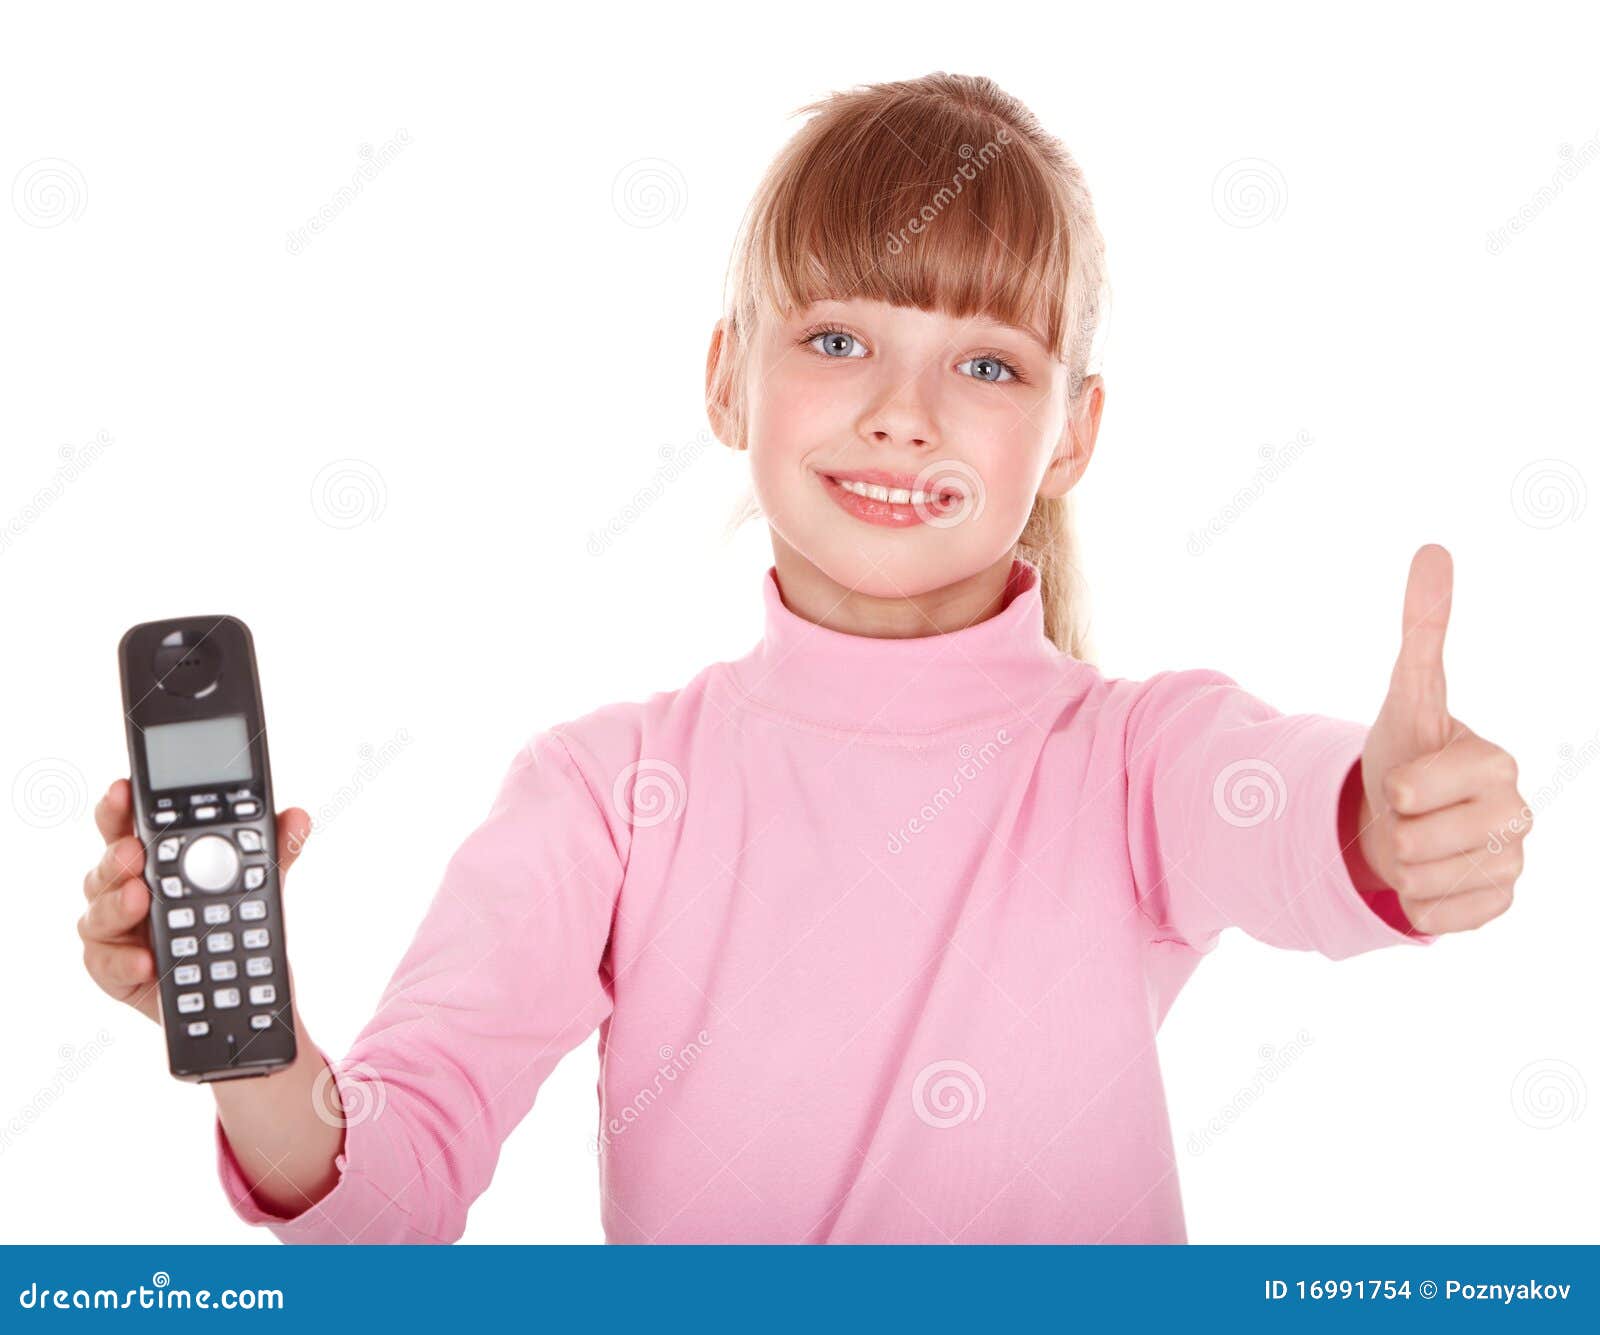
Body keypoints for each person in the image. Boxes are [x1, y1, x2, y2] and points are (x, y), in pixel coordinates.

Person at [78, 71, 1530, 1244]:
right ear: (728, 377)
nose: (904, 414)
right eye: (837, 339)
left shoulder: (1133, 761)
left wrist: (1389, 822)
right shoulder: (603, 794)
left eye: (985, 364)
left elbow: (1291, 814)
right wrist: (250, 1047)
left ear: (1073, 434)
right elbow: (386, 1207)